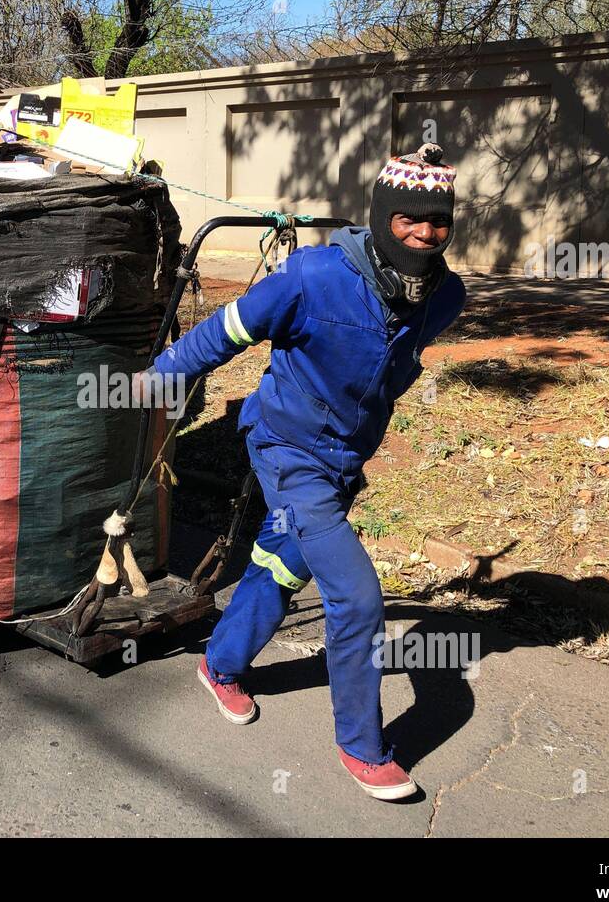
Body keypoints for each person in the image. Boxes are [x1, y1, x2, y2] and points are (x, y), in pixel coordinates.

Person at [142, 143, 464, 800]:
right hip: (287, 448)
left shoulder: (443, 296)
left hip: (345, 456)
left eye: (439, 221)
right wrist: (145, 387)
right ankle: (363, 747)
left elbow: (393, 368)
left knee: (282, 563)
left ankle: (220, 662)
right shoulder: (312, 279)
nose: (425, 233)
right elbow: (221, 334)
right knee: (357, 595)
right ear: (382, 215)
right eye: (410, 217)